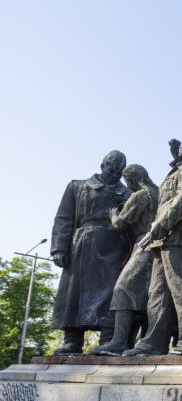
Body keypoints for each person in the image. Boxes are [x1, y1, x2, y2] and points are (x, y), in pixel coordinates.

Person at [123, 131, 182, 356]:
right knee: (157, 294)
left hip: (181, 237)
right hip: (163, 240)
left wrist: (161, 223)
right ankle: (153, 342)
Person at [51, 150, 130, 355]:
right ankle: (72, 341)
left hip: (114, 247)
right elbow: (64, 218)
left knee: (112, 293)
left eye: (118, 172)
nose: (114, 174)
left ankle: (108, 338)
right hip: (81, 246)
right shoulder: (77, 186)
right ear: (102, 165)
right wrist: (59, 247)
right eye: (111, 169)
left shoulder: (128, 194)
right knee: (73, 293)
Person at [90, 164, 159, 354]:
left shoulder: (139, 196)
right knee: (146, 296)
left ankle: (119, 342)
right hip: (156, 247)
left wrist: (113, 215)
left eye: (128, 180)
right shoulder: (158, 192)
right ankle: (141, 341)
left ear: (133, 179)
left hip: (143, 245)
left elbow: (120, 223)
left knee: (122, 289)